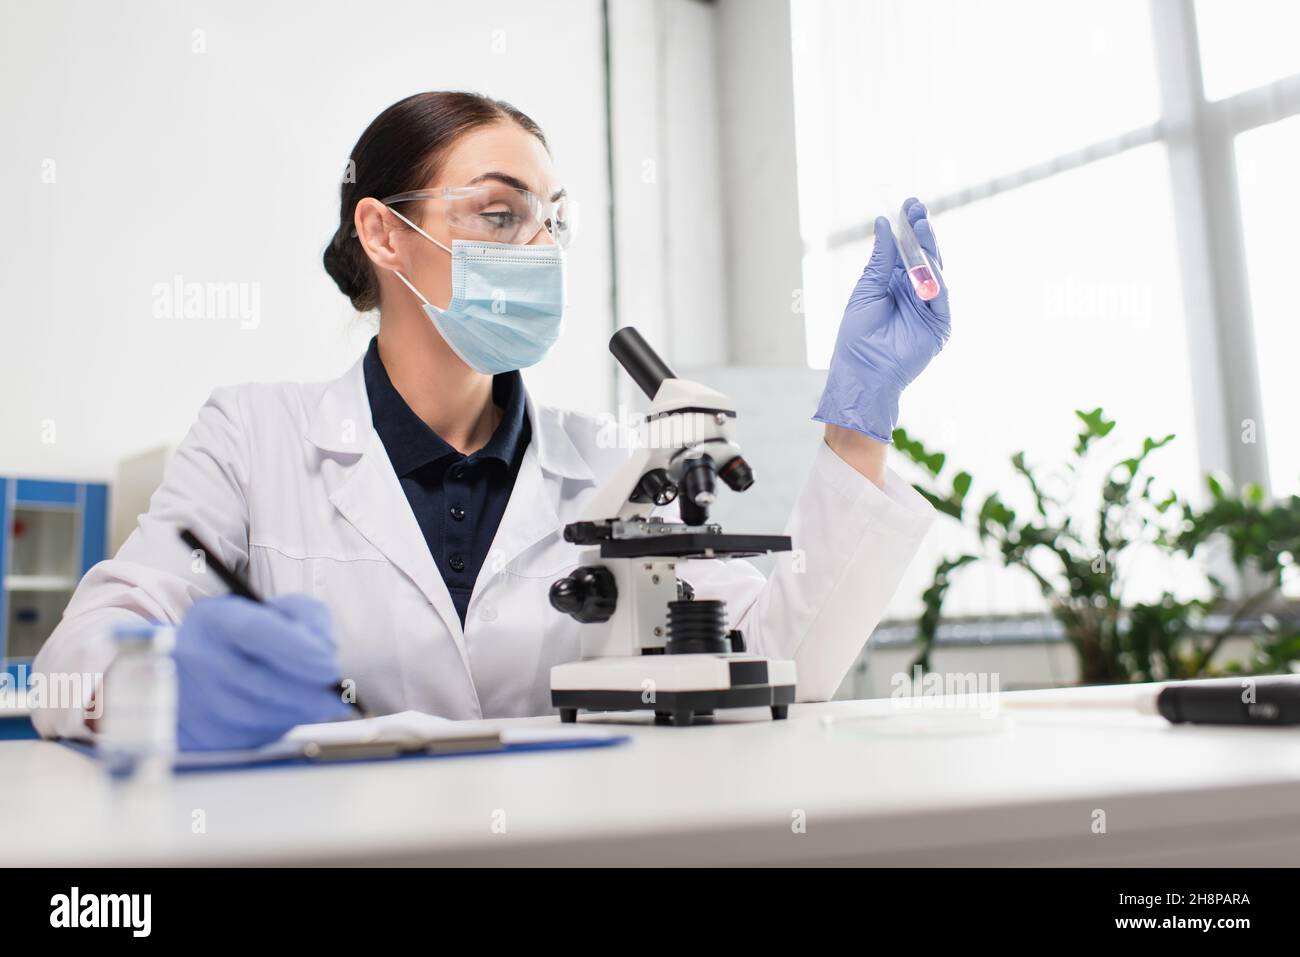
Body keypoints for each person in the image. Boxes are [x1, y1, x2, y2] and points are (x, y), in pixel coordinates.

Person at [31, 91, 950, 749]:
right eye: (501, 214)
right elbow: (70, 662)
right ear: (386, 234)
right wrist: (164, 682)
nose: (541, 248)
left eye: (553, 220)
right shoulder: (252, 438)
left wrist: (858, 423)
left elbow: (778, 657)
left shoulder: (609, 462)